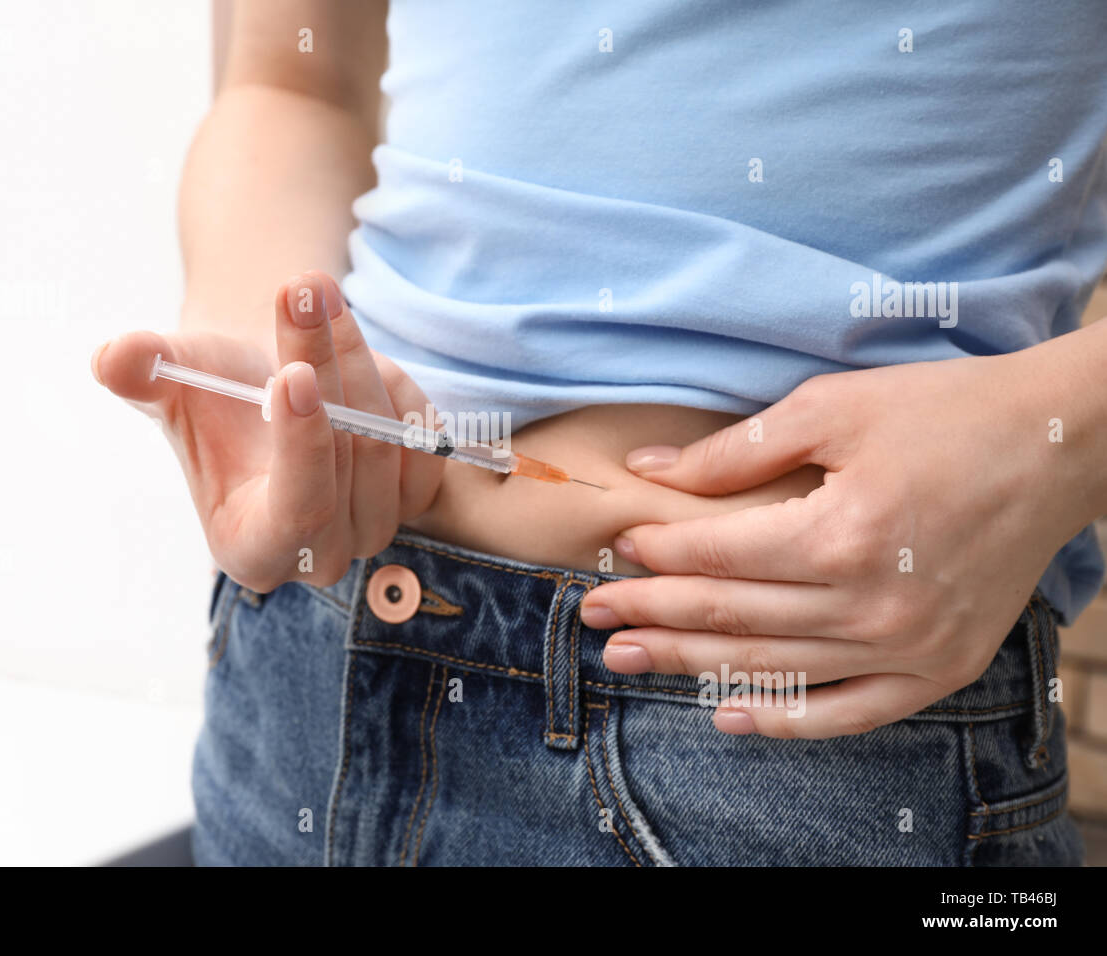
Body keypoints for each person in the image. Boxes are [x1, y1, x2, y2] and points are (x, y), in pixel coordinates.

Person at [92, 1, 1107, 865]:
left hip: (801, 724)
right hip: (318, 667)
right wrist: (277, 389)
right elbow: (289, 83)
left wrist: (1051, 436)